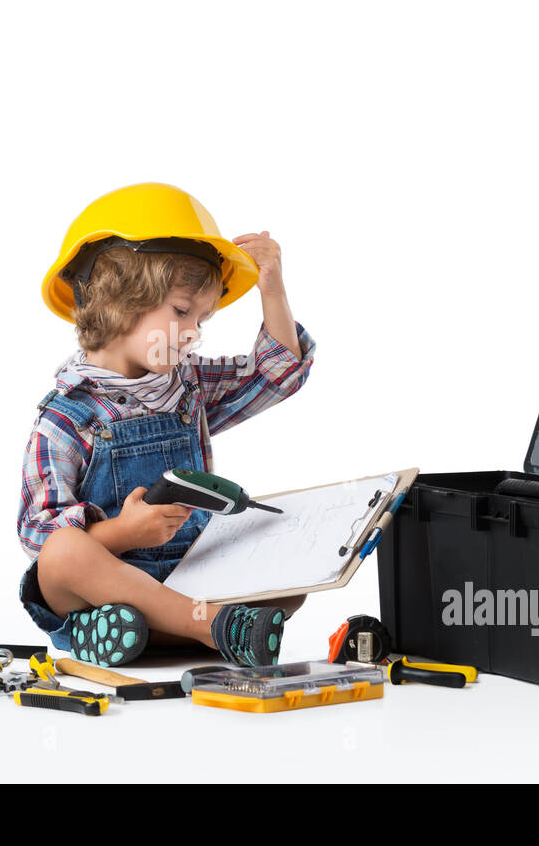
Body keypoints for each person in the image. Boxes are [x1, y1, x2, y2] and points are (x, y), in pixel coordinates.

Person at [16, 182, 316, 667]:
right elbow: (38, 535)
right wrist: (122, 533)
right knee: (62, 554)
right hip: (102, 584)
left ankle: (143, 632)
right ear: (118, 300)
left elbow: (275, 375)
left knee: (292, 579)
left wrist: (273, 290)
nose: (195, 331)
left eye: (204, 318)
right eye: (182, 311)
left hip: (187, 577)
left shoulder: (188, 386)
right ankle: (209, 628)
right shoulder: (66, 416)